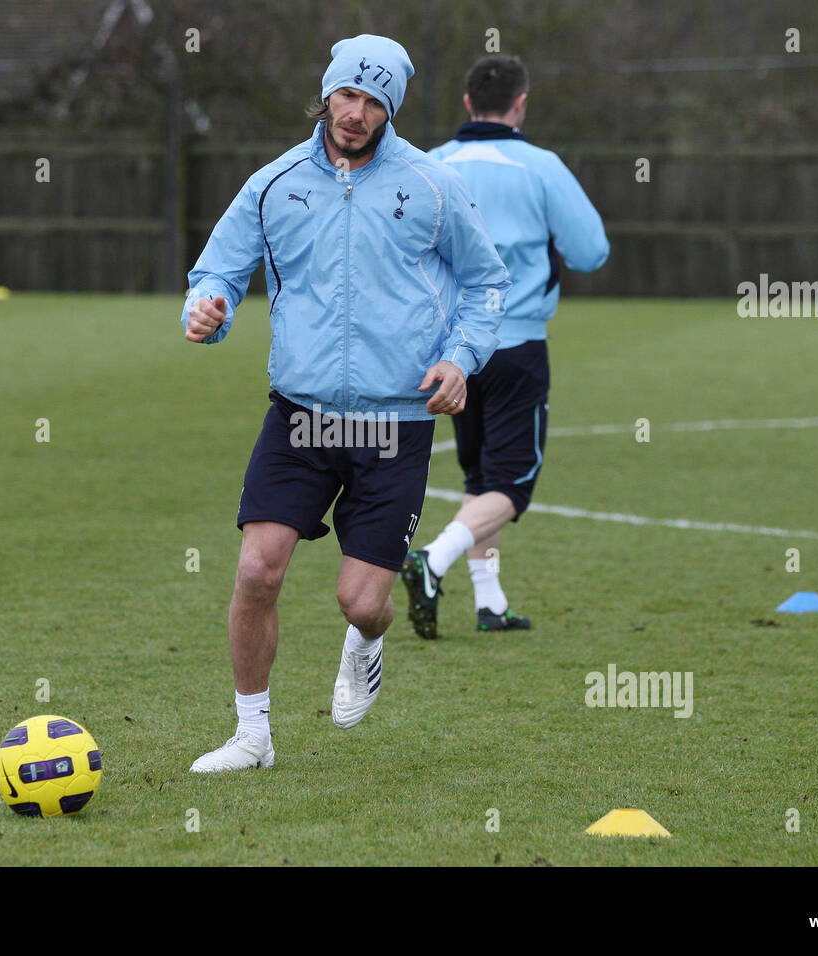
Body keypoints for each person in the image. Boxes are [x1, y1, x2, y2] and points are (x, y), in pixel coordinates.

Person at [182, 35, 510, 772]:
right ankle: (251, 736)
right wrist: (207, 310)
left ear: (389, 107)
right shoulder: (273, 183)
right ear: (326, 94)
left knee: (361, 602)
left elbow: (487, 283)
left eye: (373, 101)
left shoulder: (429, 185)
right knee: (257, 570)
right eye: (346, 96)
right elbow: (218, 273)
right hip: (299, 415)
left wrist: (460, 360)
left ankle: (367, 644)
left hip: (396, 422)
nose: (356, 113)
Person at [401, 55, 609, 640]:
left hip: (451, 354)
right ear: (521, 103)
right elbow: (592, 251)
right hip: (516, 344)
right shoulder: (541, 167)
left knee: (480, 480)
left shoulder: (430, 164)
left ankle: (490, 605)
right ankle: (432, 560)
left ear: (467, 103)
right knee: (511, 488)